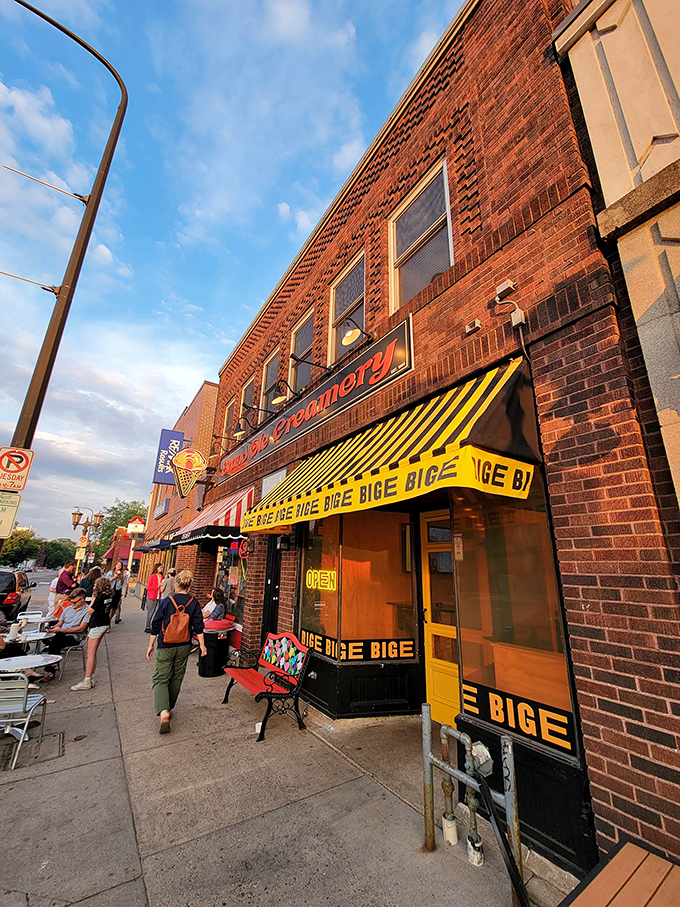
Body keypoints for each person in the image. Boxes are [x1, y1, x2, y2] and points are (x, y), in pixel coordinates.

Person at [147, 569, 206, 734]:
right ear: (189, 585)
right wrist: (202, 645)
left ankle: (164, 711)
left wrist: (150, 645)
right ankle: (169, 706)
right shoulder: (194, 602)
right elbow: (198, 626)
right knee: (177, 677)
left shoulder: (166, 601)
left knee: (160, 678)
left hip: (166, 644)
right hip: (184, 645)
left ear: (177, 584)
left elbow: (156, 624)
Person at [71, 577, 114, 691]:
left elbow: (89, 610)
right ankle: (90, 678)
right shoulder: (109, 596)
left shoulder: (100, 597)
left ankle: (87, 679)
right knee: (93, 653)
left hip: (97, 624)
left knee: (90, 653)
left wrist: (94, 598)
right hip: (104, 623)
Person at [42, 588, 90, 679]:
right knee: (49, 635)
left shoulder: (87, 611)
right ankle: (52, 663)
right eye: (71, 602)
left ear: (82, 600)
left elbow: (81, 628)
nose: (72, 604)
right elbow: (60, 623)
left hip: (74, 636)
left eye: (74, 602)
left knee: (55, 639)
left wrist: (60, 630)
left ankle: (50, 668)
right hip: (61, 633)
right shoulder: (68, 609)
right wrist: (54, 628)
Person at [106, 560, 128, 624]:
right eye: (118, 565)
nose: (119, 567)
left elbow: (124, 584)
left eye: (120, 566)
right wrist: (114, 577)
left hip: (118, 591)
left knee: (114, 607)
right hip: (110, 591)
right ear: (115, 566)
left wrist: (123, 594)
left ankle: (109, 620)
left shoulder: (123, 574)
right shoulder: (110, 573)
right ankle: (107, 622)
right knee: (109, 607)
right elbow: (106, 581)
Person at [144, 563, 164, 633]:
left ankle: (154, 626)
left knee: (157, 611)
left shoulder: (162, 577)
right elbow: (148, 587)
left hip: (159, 596)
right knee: (150, 612)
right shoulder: (152, 576)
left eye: (161, 568)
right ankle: (148, 626)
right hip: (152, 596)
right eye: (160, 567)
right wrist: (157, 587)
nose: (161, 569)